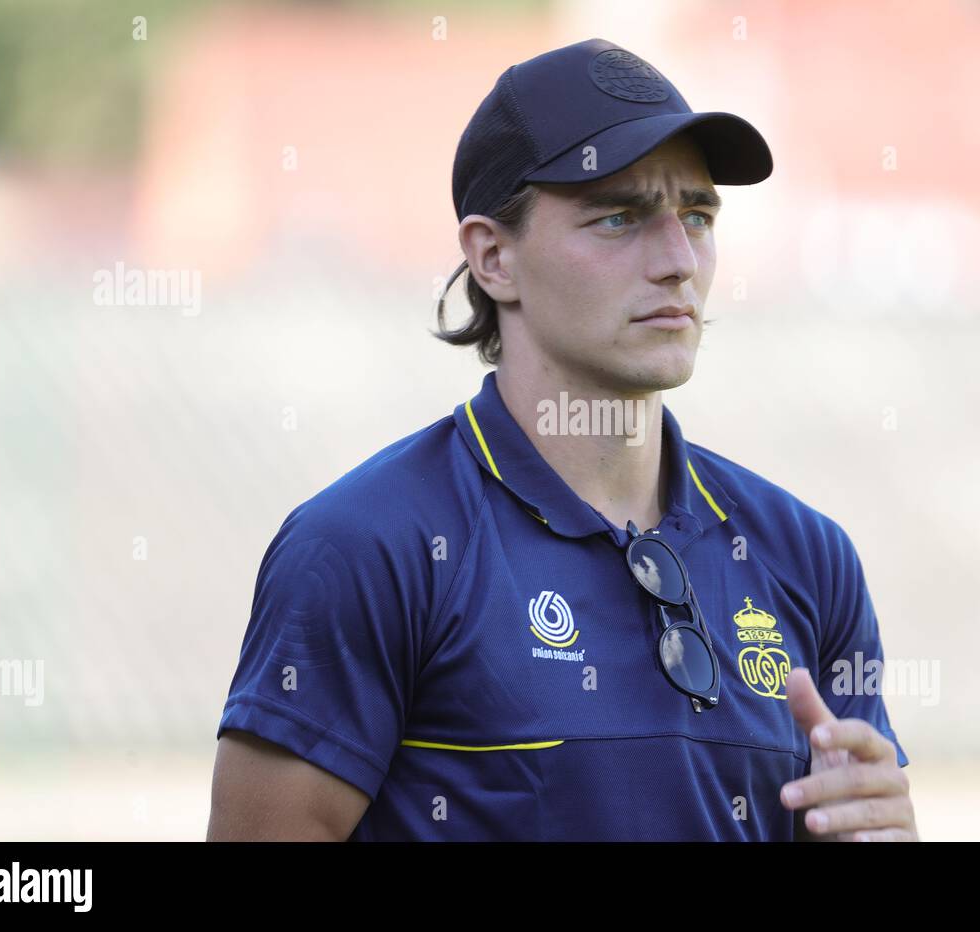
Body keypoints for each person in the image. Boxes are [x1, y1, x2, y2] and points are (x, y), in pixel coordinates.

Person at [207, 37, 917, 842]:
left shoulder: (807, 557)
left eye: (697, 214)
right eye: (619, 217)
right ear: (494, 257)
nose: (679, 260)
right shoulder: (366, 547)